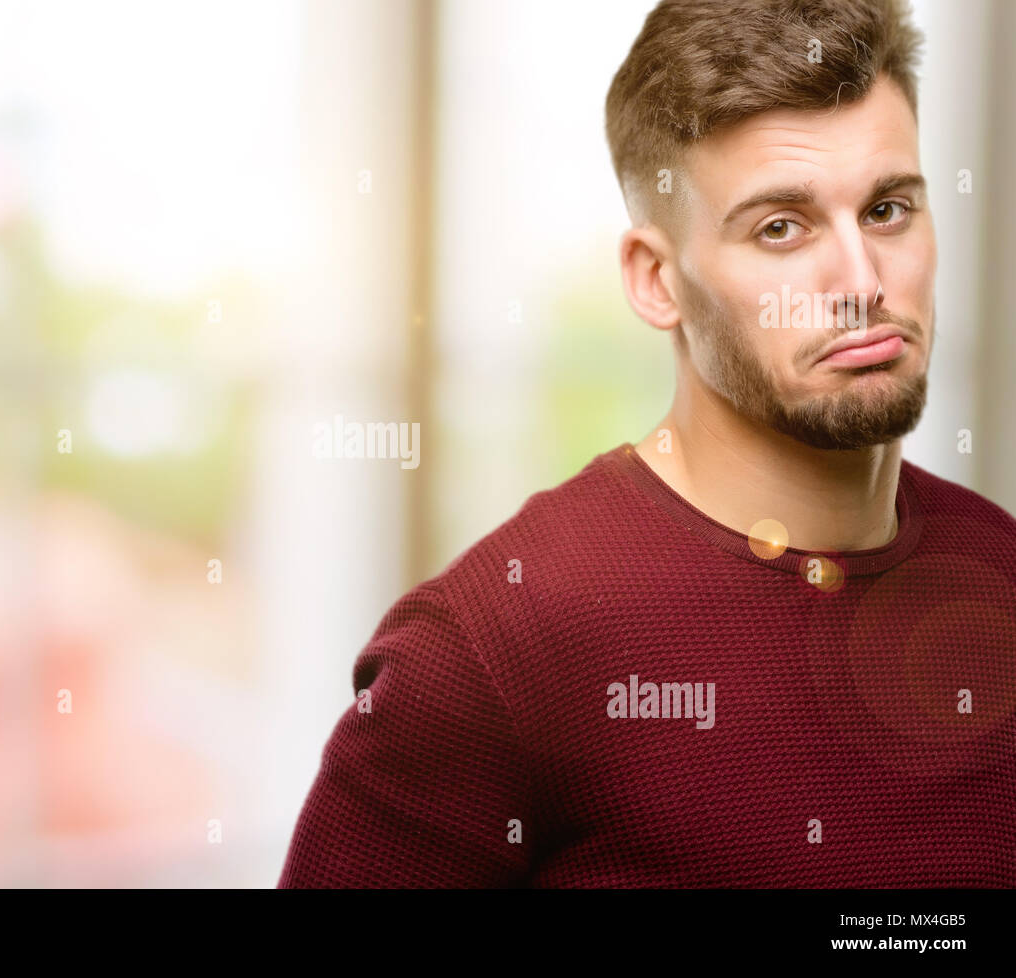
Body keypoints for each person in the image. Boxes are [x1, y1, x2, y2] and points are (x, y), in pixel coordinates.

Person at [277, 0, 1016, 887]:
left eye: (889, 210)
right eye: (781, 227)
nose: (861, 281)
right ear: (657, 279)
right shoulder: (491, 651)